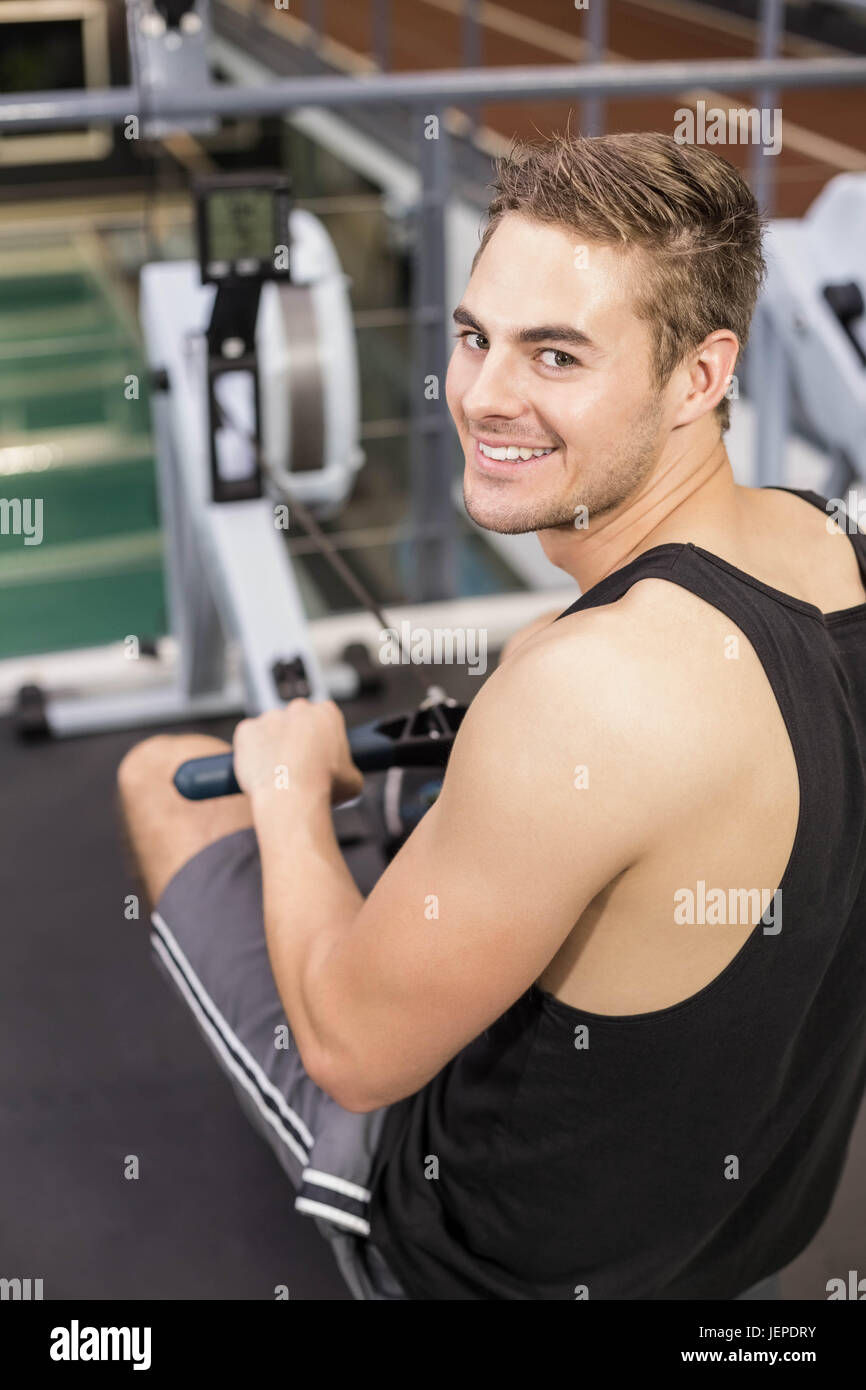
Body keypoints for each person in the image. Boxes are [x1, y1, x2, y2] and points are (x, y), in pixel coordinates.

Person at [118, 130, 866, 1300]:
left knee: (162, 778)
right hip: (757, 1224)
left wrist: (285, 792)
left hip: (500, 1264)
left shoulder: (586, 686)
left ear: (700, 377)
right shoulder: (834, 539)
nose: (481, 395)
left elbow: (349, 1053)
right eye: (473, 337)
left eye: (555, 356)